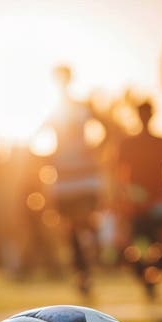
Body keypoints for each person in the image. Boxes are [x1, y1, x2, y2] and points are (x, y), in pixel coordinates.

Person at [49, 65, 104, 297]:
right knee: (71, 228)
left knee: (85, 223)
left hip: (84, 176)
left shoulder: (82, 108)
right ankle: (83, 271)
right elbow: (37, 137)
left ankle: (88, 264)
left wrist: (97, 150)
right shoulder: (51, 109)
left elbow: (106, 128)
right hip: (64, 178)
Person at [116, 101, 162, 298]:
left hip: (160, 200)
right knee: (138, 248)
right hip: (137, 204)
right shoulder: (127, 144)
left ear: (152, 115)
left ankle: (156, 270)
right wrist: (126, 197)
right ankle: (145, 276)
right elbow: (118, 174)